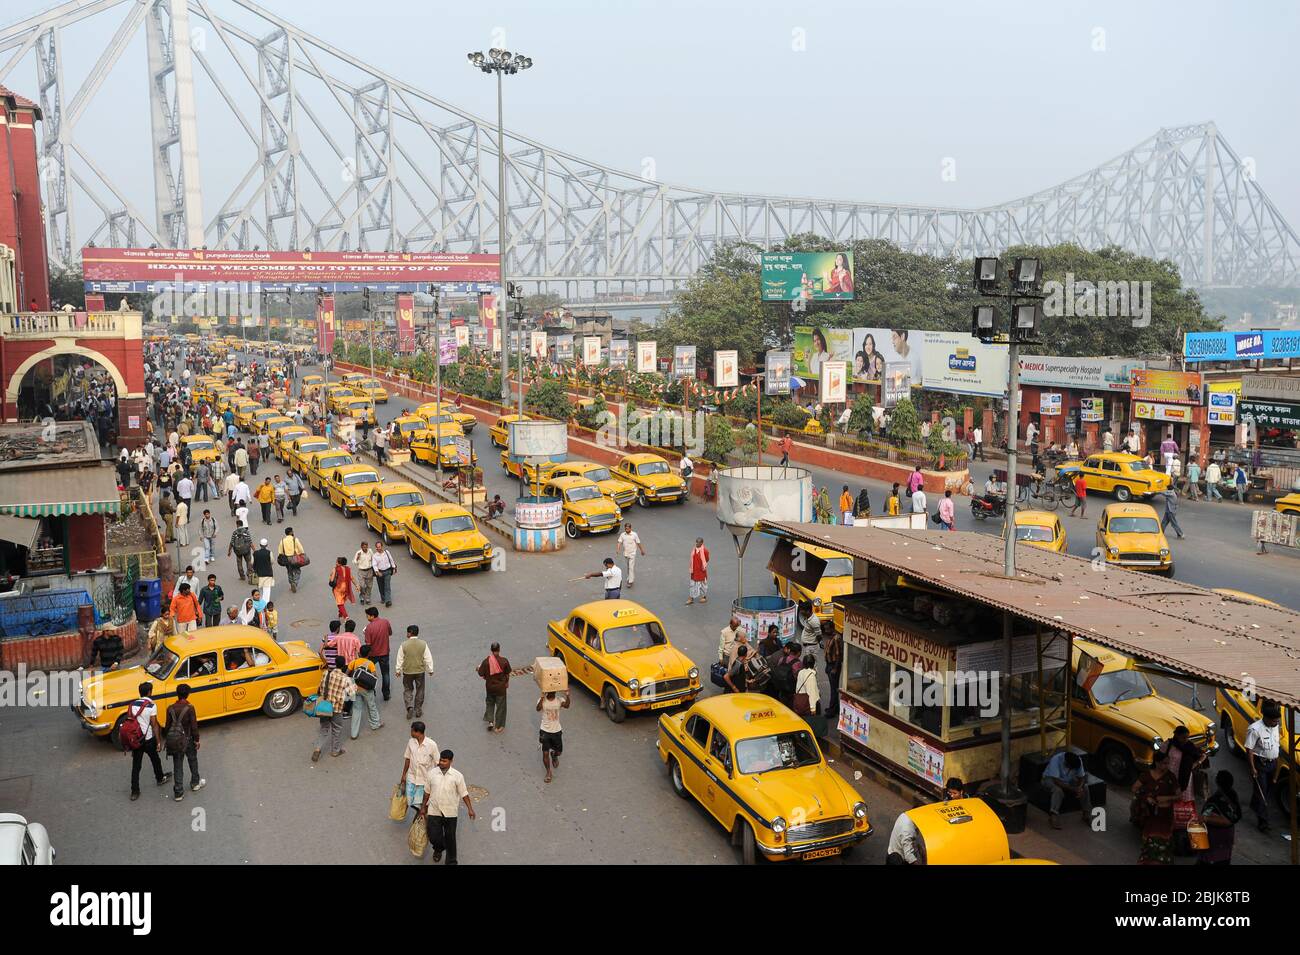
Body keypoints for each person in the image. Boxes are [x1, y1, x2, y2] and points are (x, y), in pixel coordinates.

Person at [420, 750, 475, 865]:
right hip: (434, 810)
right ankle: (438, 849)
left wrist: (470, 809)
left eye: (444, 761)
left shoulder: (458, 776)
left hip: (450, 812)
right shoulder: (432, 773)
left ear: (451, 761)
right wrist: (423, 807)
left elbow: (464, 793)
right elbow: (426, 792)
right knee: (434, 836)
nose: (441, 763)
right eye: (440, 760)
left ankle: (451, 861)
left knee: (450, 838)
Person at [124, 681, 172, 800]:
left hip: (136, 739)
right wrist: (159, 741)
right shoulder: (151, 705)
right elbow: (154, 724)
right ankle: (160, 778)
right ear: (150, 692)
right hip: (148, 739)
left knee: (136, 766)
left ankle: (134, 791)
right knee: (155, 759)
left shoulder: (132, 705)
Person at [1131, 747, 1179, 864]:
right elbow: (1134, 788)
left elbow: (1179, 795)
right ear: (1157, 763)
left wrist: (1165, 798)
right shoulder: (1147, 775)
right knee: (1150, 839)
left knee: (1164, 840)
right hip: (1149, 813)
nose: (1166, 766)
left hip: (1165, 814)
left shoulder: (1170, 777)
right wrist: (1146, 798)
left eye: (1168, 763)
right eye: (1164, 763)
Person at [162, 683, 204, 800]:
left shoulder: (170, 708)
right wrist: (197, 740)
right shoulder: (190, 708)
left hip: (176, 741)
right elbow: (194, 726)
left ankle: (178, 792)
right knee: (192, 760)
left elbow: (167, 727)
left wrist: (170, 738)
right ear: (187, 694)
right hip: (188, 739)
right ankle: (195, 783)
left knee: (178, 764)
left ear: (177, 694)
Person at [1245, 700, 1282, 832]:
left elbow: (1276, 745)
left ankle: (1255, 805)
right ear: (1266, 718)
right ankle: (1263, 822)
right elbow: (1249, 750)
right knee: (1261, 793)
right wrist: (1252, 768)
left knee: (1266, 791)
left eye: (1277, 721)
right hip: (1260, 765)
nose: (1276, 724)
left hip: (1272, 764)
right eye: (1274, 721)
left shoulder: (1275, 727)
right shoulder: (1255, 729)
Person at [310, 658, 351, 762]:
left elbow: (320, 688)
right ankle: (335, 751)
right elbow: (352, 694)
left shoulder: (326, 674)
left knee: (324, 729)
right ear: (343, 665)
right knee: (336, 729)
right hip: (337, 708)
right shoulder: (345, 678)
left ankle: (317, 749)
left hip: (324, 706)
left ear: (335, 664)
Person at [399, 721, 439, 823]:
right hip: (412, 778)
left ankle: (420, 819)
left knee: (421, 803)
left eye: (412, 730)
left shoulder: (432, 745)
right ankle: (421, 813)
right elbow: (407, 759)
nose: (410, 732)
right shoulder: (411, 742)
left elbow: (438, 763)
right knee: (410, 801)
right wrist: (404, 775)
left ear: (417, 732)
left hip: (424, 781)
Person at [1199, 770, 1241, 865]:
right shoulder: (1233, 795)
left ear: (1217, 782)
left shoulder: (1214, 800)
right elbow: (1235, 817)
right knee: (1224, 859)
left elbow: (1203, 817)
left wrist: (1207, 819)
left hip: (1214, 838)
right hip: (1227, 837)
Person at [1041, 751, 1091, 828]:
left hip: (1067, 780)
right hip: (1050, 779)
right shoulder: (1056, 760)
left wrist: (1079, 787)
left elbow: (1082, 777)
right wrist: (1073, 789)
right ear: (1066, 763)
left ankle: (1086, 814)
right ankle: (1053, 816)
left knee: (1085, 788)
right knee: (1058, 790)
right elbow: (1056, 781)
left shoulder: (1078, 761)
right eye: (1070, 768)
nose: (1071, 770)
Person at [396, 624, 434, 720]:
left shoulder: (403, 645)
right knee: (420, 689)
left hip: (408, 671)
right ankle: (418, 709)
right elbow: (428, 658)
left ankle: (409, 707)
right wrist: (430, 669)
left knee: (408, 689)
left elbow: (400, 659)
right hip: (419, 671)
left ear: (409, 633)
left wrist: (398, 670)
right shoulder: (423, 644)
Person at [346, 646, 383, 738]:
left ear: (360, 653)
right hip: (366, 689)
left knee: (356, 709)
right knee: (371, 706)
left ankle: (354, 733)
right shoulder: (370, 663)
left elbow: (347, 674)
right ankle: (375, 724)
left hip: (355, 688)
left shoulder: (353, 662)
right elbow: (375, 676)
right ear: (368, 654)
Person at [537, 690, 571, 783]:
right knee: (545, 753)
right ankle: (548, 772)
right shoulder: (542, 700)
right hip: (545, 731)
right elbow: (538, 708)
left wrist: (567, 695)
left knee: (559, 752)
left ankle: (554, 755)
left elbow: (567, 705)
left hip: (556, 731)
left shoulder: (559, 700)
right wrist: (542, 697)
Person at [477, 642, 511, 733]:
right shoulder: (504, 661)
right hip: (500, 689)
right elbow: (507, 673)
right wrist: (507, 682)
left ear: (491, 650)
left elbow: (480, 673)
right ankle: (498, 727)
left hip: (490, 688)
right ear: (499, 650)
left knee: (490, 703)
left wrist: (478, 668)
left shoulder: (486, 661)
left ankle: (491, 721)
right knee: (500, 707)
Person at [363, 606, 393, 702]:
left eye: (367, 615)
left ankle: (370, 690)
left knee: (367, 672)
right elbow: (390, 633)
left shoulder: (369, 628)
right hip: (385, 652)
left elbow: (368, 644)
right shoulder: (385, 622)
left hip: (373, 654)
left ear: (372, 616)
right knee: (386, 674)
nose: (367, 617)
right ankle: (386, 694)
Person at [615, 522, 644, 589]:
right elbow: (619, 542)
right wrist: (618, 549)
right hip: (626, 553)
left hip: (632, 553)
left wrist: (642, 550)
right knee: (628, 567)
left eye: (628, 529)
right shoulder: (623, 535)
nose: (626, 530)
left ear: (630, 528)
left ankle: (630, 581)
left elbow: (638, 542)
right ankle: (630, 577)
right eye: (625, 529)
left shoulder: (634, 535)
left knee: (631, 567)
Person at [278, 527, 306, 593]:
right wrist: (302, 554)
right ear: (291, 532)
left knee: (289, 571)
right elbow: (301, 549)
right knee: (297, 571)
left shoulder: (282, 540)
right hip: (295, 558)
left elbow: (280, 552)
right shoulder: (295, 539)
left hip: (287, 559)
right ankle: (295, 583)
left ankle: (291, 584)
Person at [372, 541, 396, 608]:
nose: (379, 548)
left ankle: (388, 601)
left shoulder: (387, 552)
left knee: (387, 586)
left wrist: (393, 568)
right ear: (376, 548)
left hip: (387, 571)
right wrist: (377, 572)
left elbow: (391, 560)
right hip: (380, 573)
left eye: (379, 547)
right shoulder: (375, 556)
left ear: (382, 546)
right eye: (377, 547)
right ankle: (383, 598)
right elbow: (374, 565)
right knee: (381, 586)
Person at [686, 537, 709, 605]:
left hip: (701, 571)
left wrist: (702, 566)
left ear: (701, 543)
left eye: (698, 542)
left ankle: (704, 597)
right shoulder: (694, 550)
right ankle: (691, 598)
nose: (696, 543)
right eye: (696, 542)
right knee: (692, 584)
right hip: (694, 571)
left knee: (702, 585)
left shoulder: (705, 551)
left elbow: (707, 559)